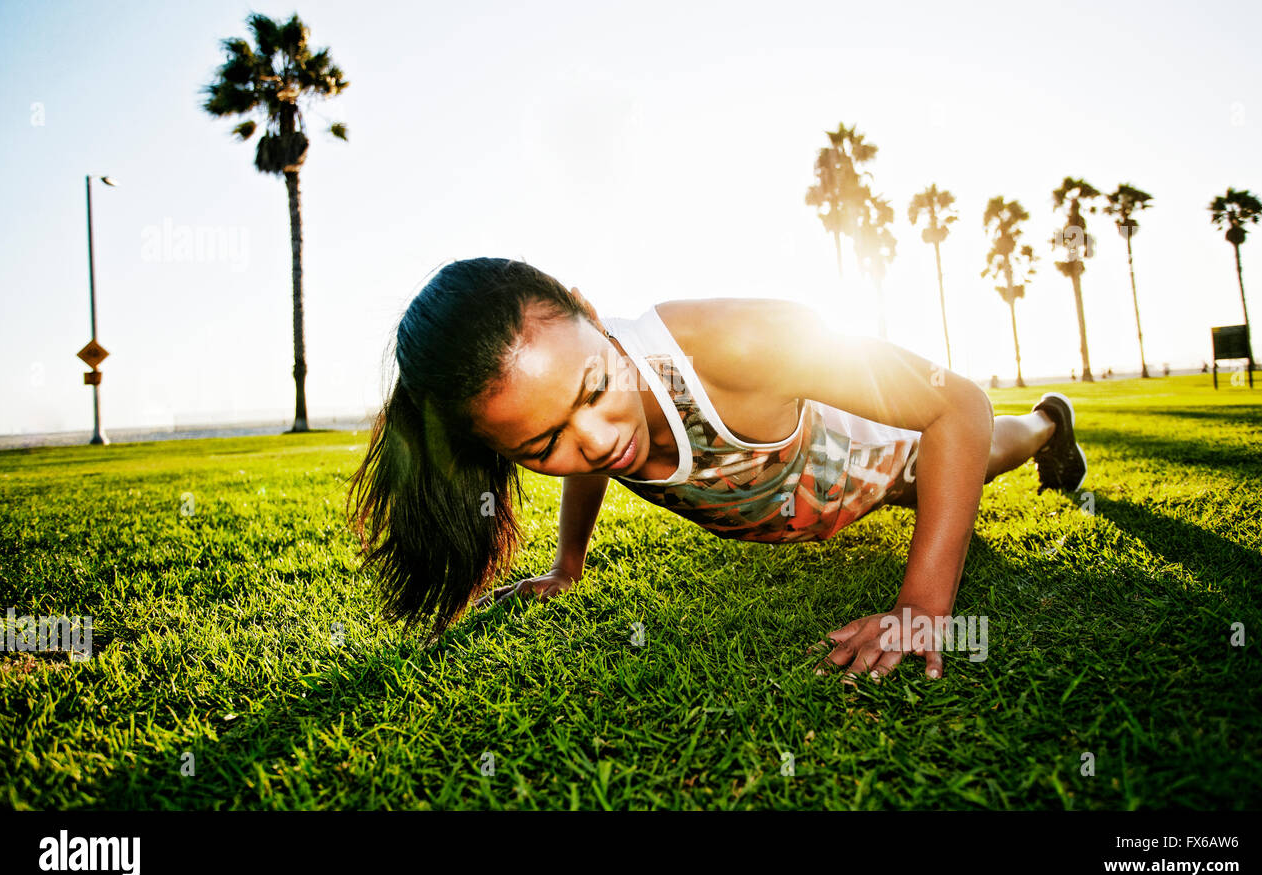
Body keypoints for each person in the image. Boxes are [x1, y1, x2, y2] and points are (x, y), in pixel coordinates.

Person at [346, 258, 1087, 683]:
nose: (597, 441)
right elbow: (590, 460)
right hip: (826, 503)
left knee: (988, 451)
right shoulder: (585, 424)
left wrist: (923, 608)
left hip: (900, 451)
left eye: (596, 388)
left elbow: (955, 403)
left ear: (589, 312)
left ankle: (1051, 422)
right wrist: (568, 565)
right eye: (543, 447)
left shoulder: (726, 343)